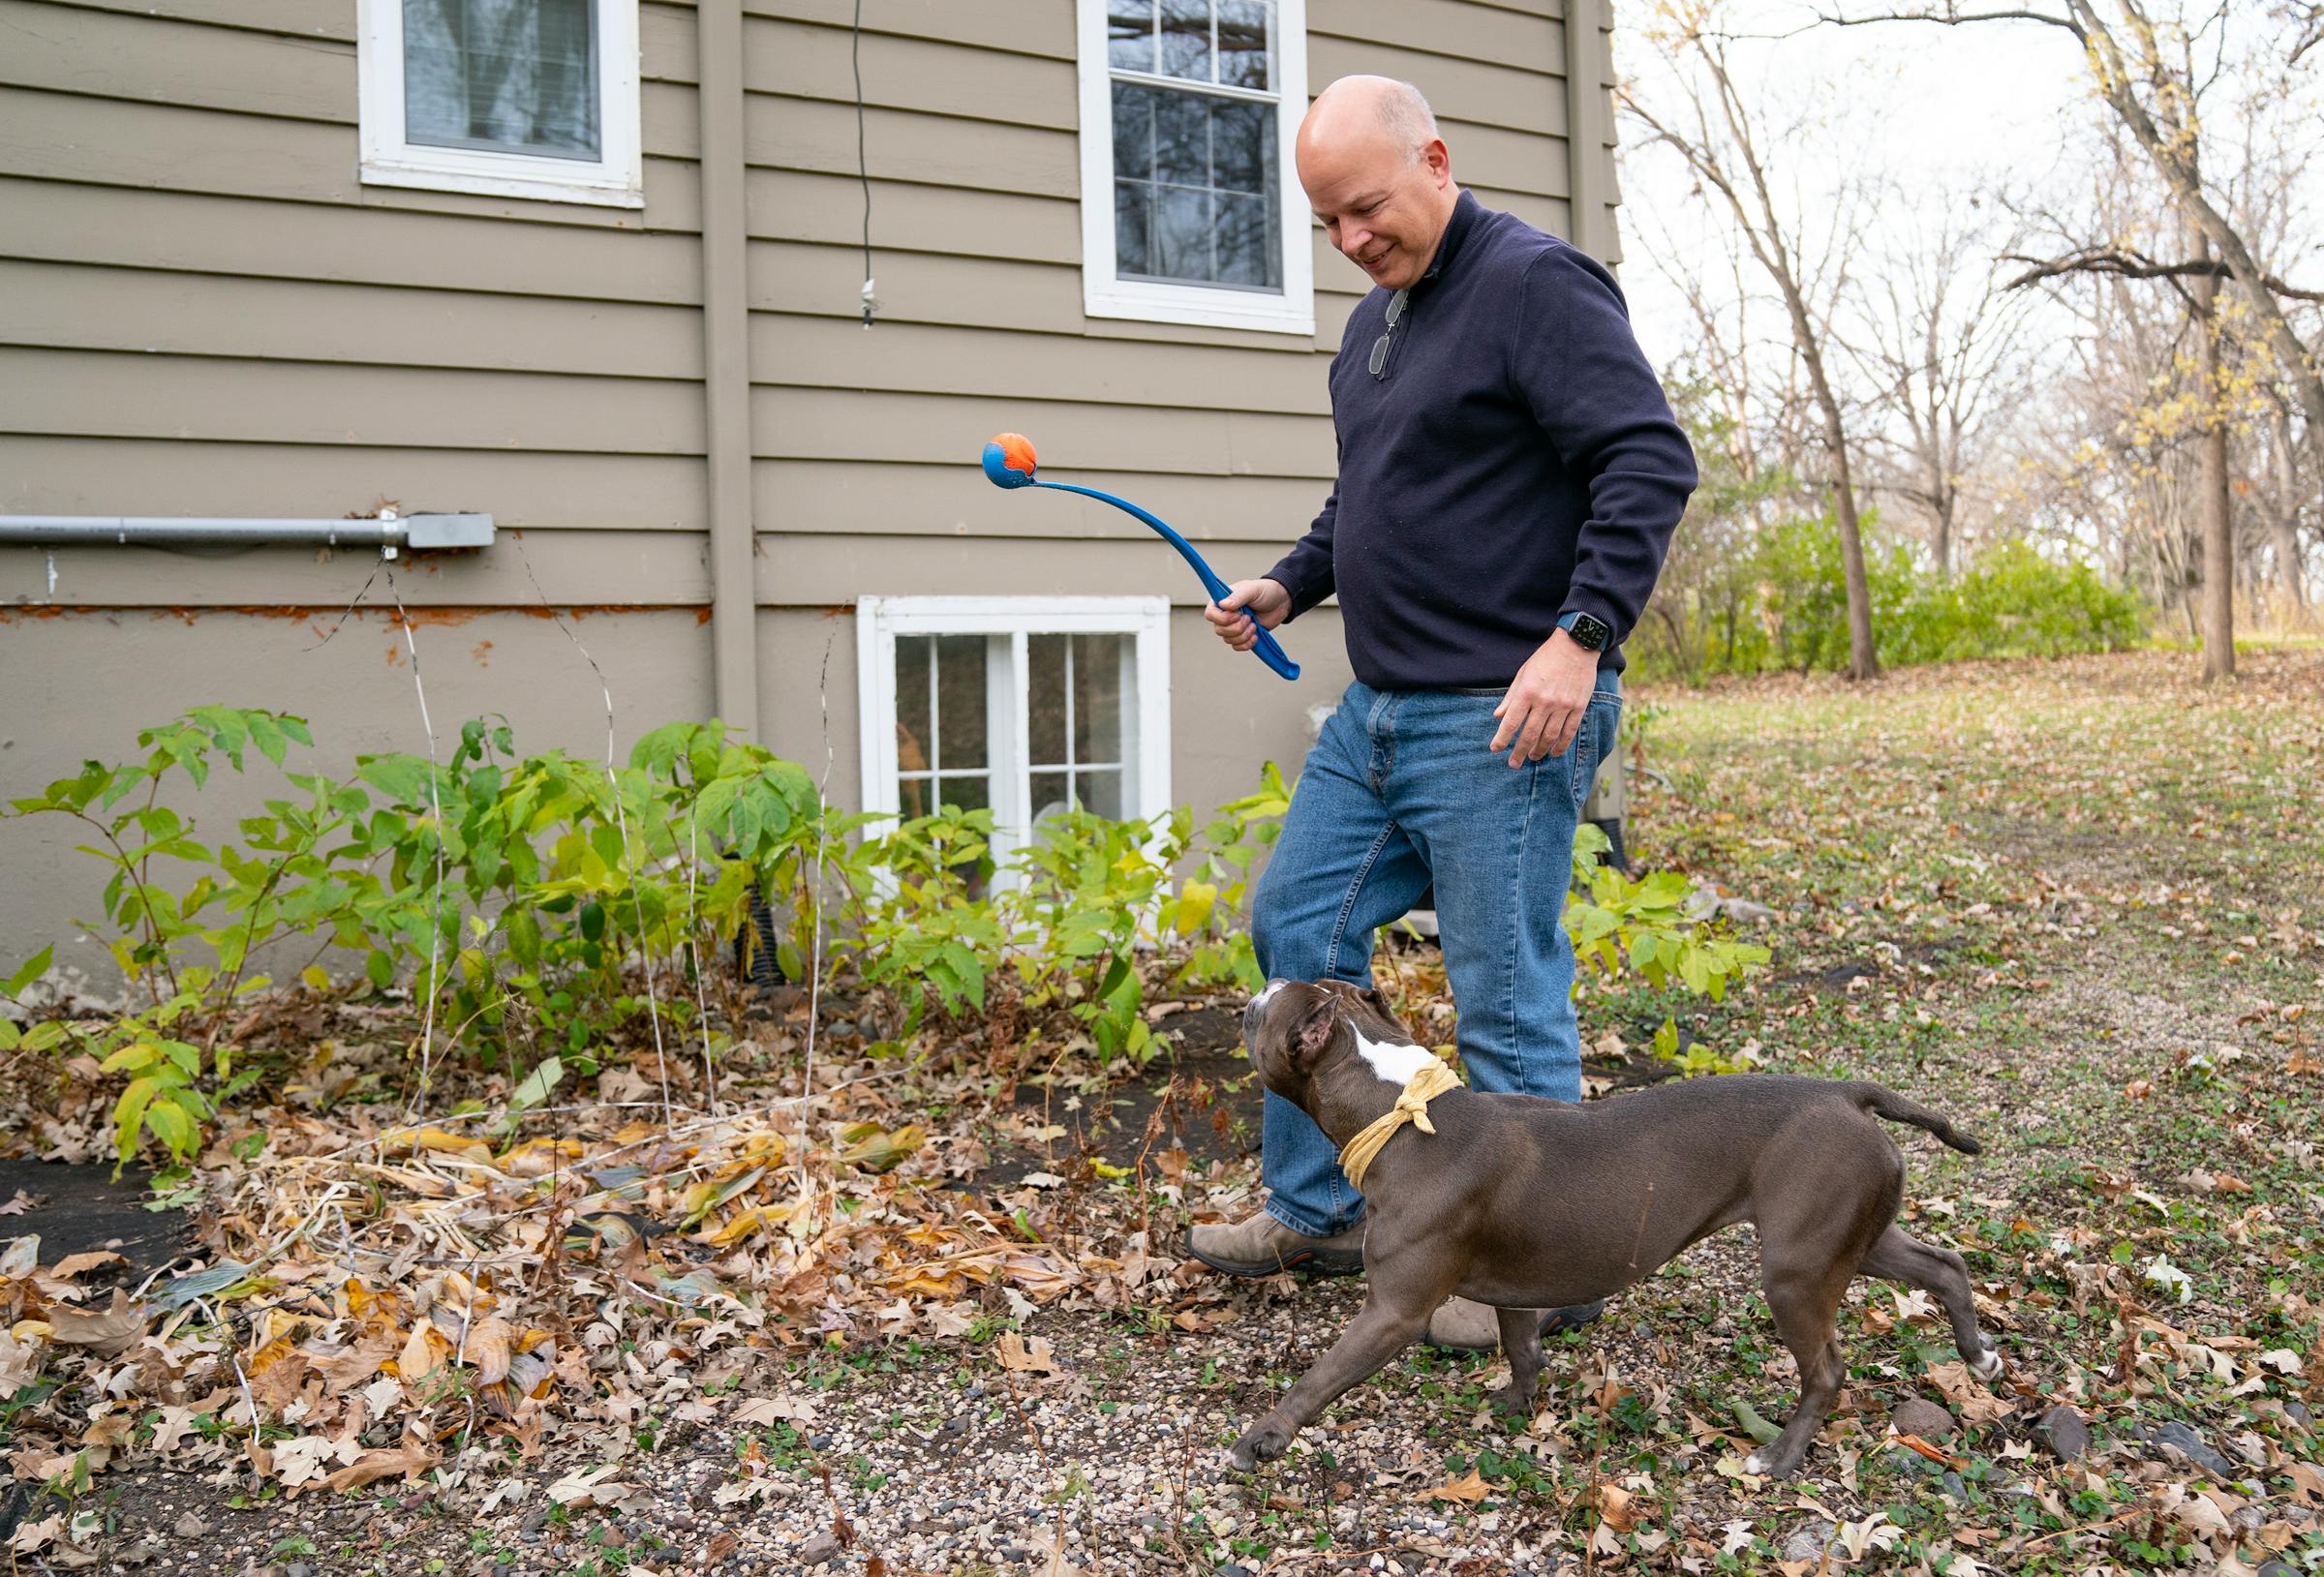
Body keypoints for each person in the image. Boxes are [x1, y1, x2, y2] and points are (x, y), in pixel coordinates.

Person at [1186, 76, 1698, 1351]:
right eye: (1329, 222)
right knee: (1298, 928)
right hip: (1379, 713)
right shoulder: (1374, 326)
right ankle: (1325, 1209)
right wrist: (1290, 584)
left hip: (1504, 713)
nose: (1353, 238)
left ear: (1435, 159)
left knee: (1503, 990)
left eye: (1367, 207)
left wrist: (1580, 638)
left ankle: (1547, 1264)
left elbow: (1647, 458)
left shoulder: (1535, 285)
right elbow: (1371, 497)